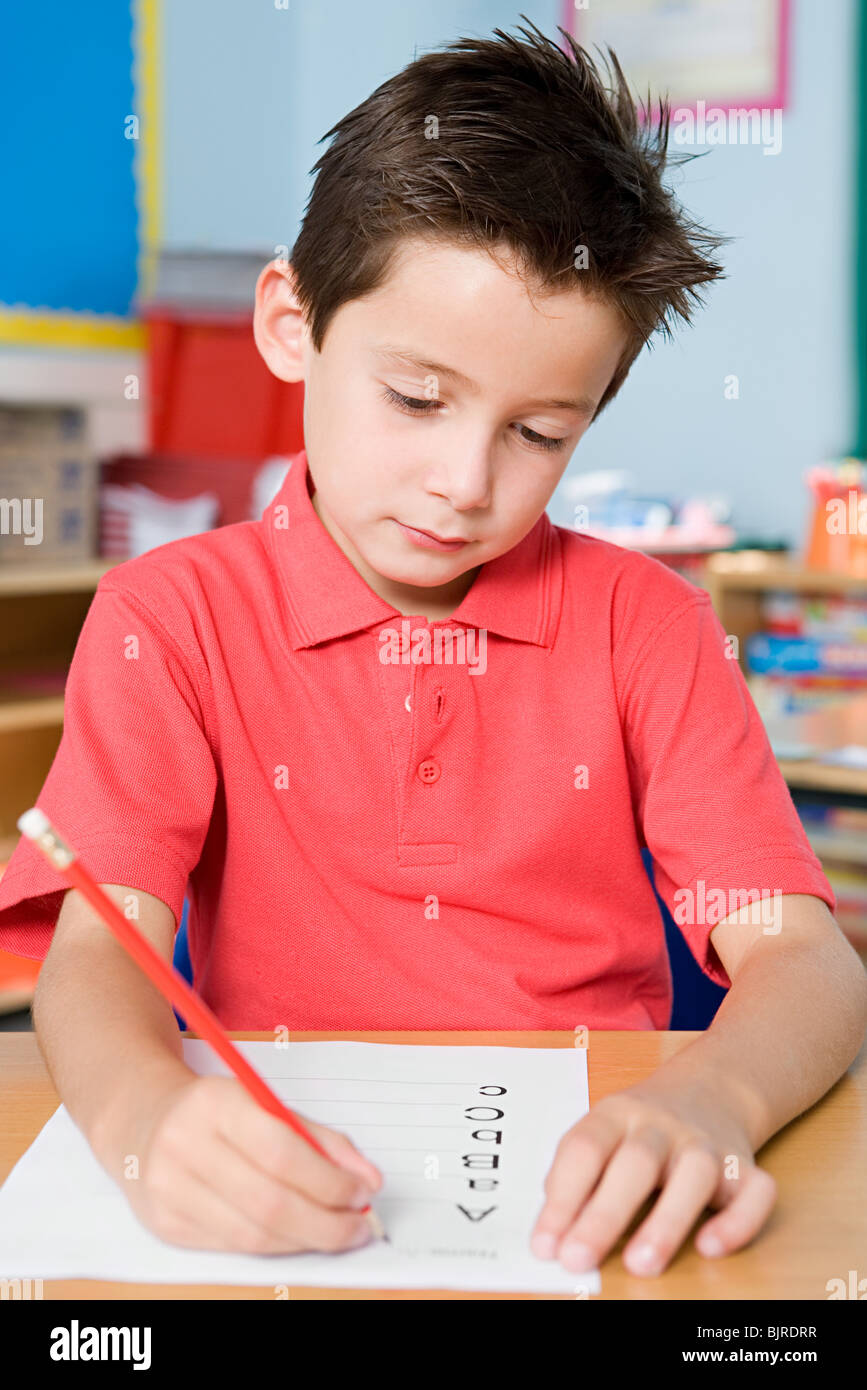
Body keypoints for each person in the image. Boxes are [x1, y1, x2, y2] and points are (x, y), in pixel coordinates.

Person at [1, 20, 864, 1280]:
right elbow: (98, 952)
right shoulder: (165, 621)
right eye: (416, 398)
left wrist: (713, 1101)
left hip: (581, 1217)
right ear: (293, 324)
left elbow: (804, 958)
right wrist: (145, 1120)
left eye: (539, 432)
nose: (464, 484)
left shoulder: (652, 629)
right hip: (290, 1207)